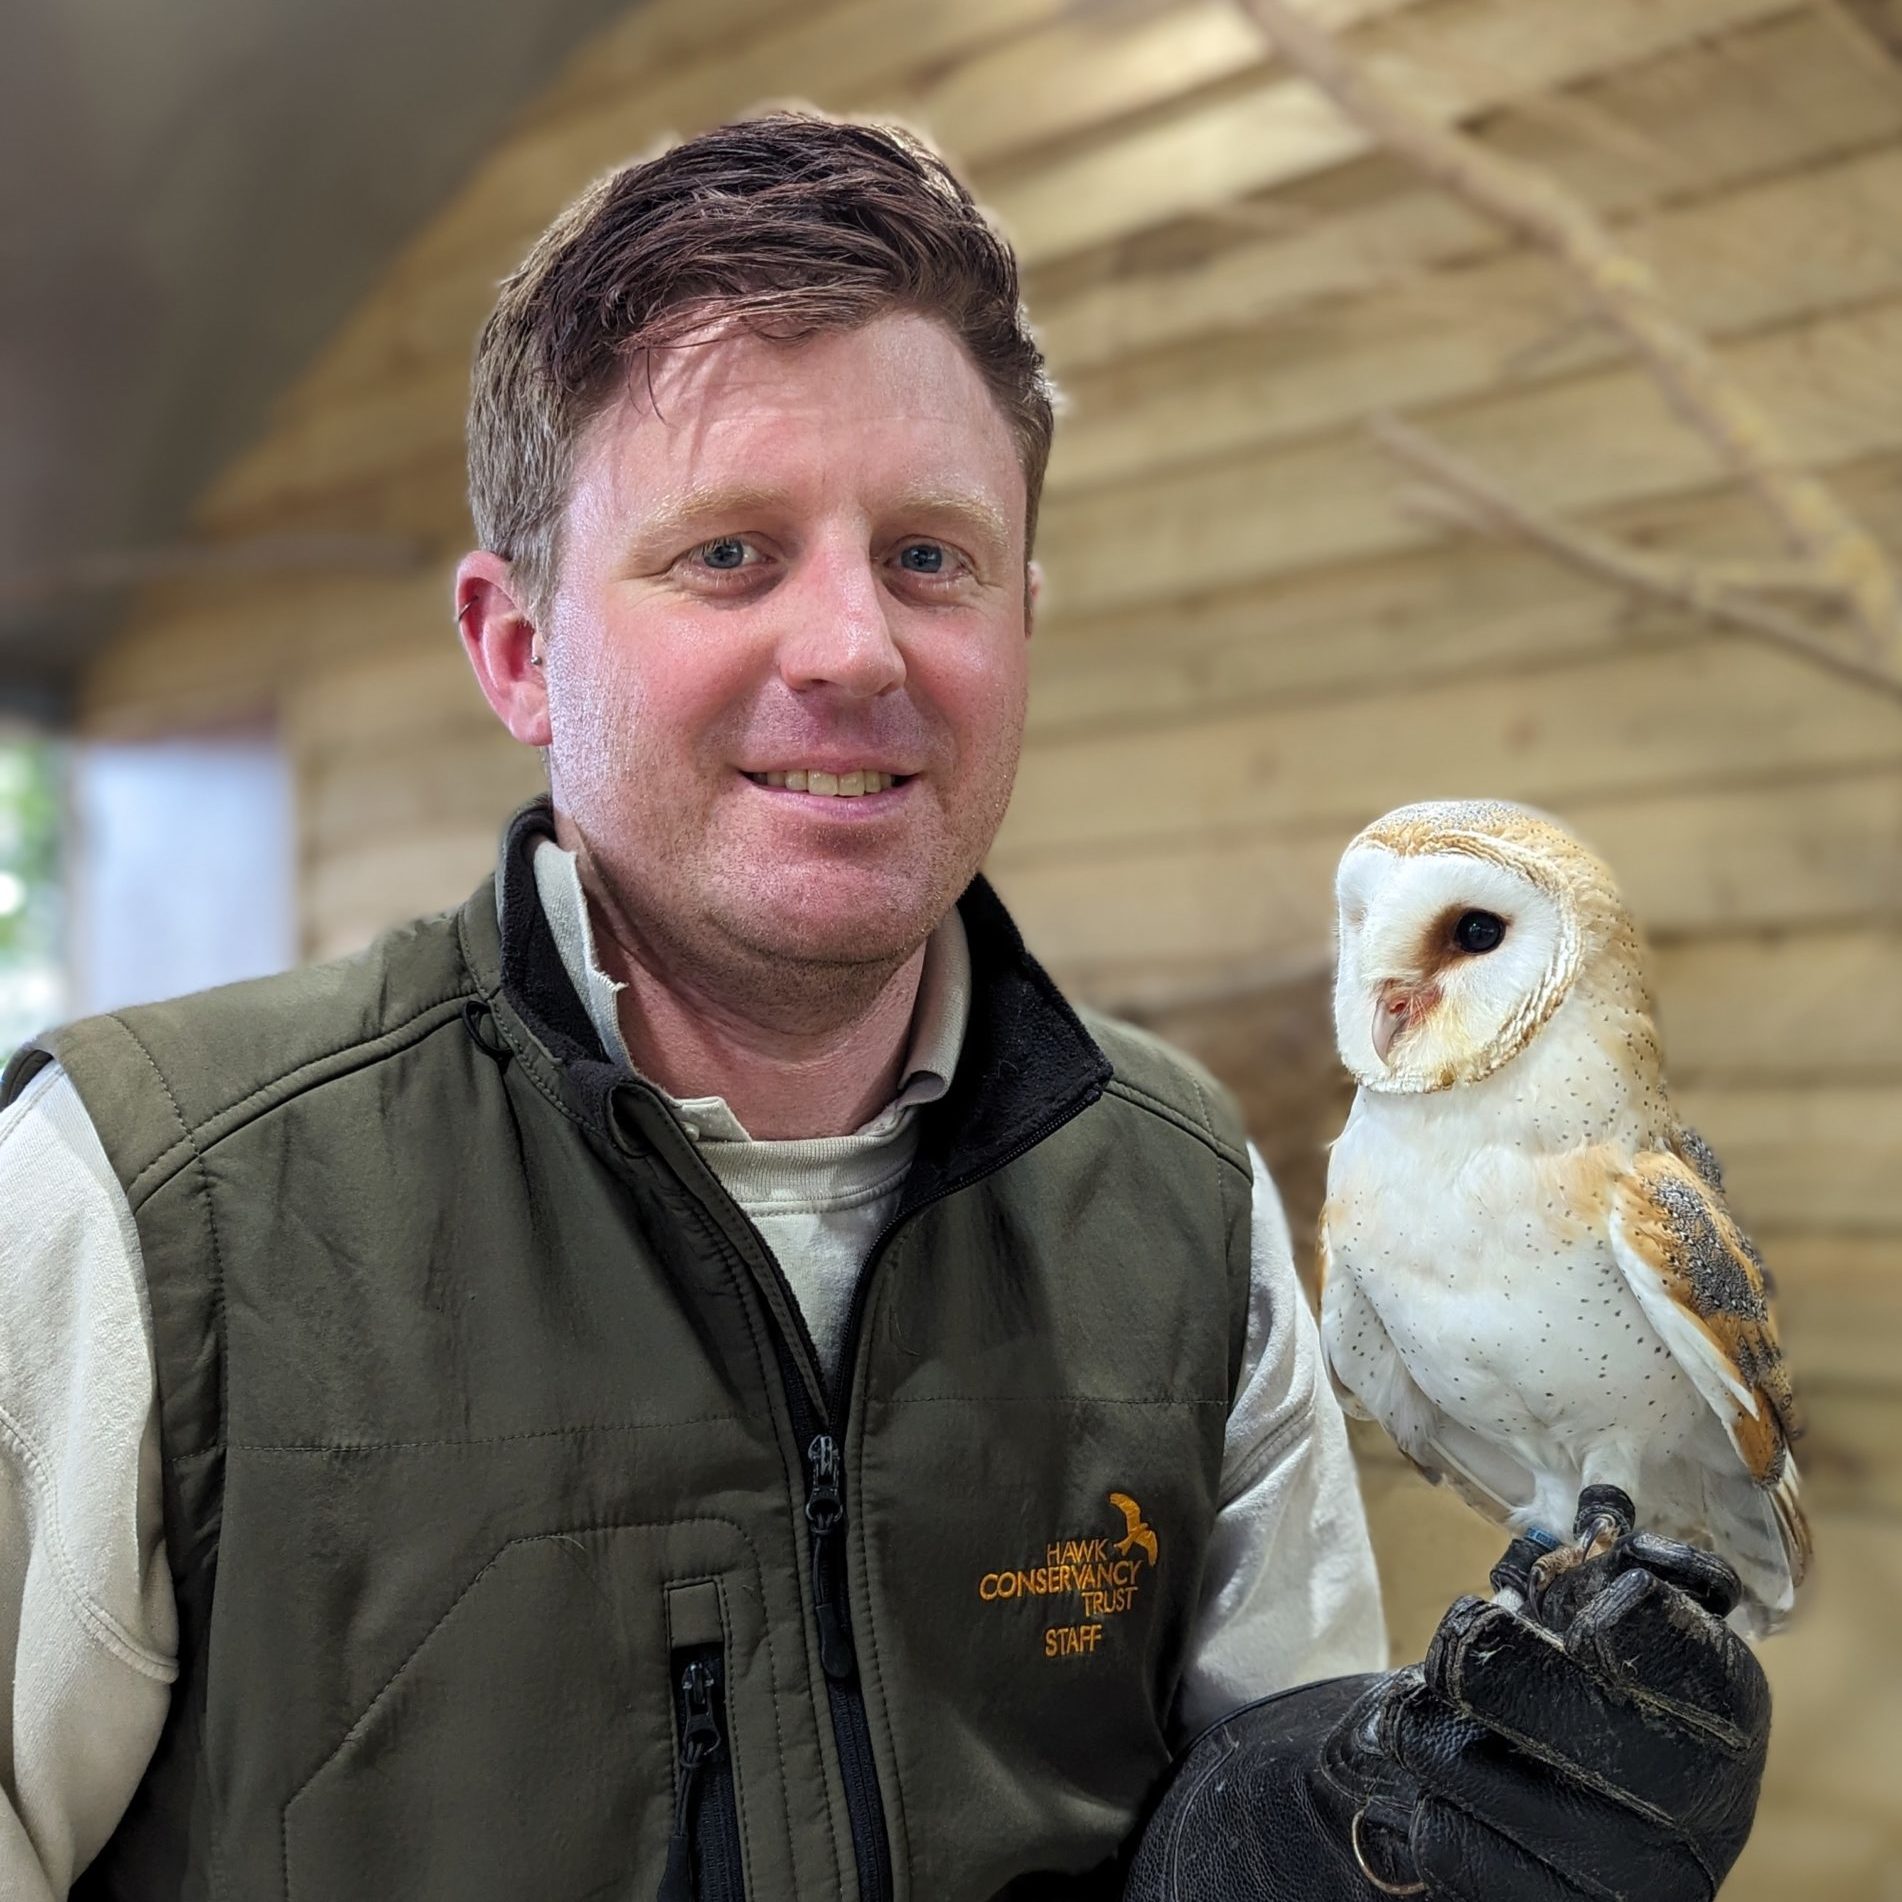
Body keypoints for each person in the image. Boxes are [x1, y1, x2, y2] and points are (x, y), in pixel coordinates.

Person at [0, 112, 1766, 1902]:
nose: (852, 647)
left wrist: (1366, 1848)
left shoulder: (1181, 1198)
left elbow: (1260, 1763)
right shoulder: (137, 1215)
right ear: (519, 647)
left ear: (1019, 624)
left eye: (929, 556)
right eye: (728, 553)